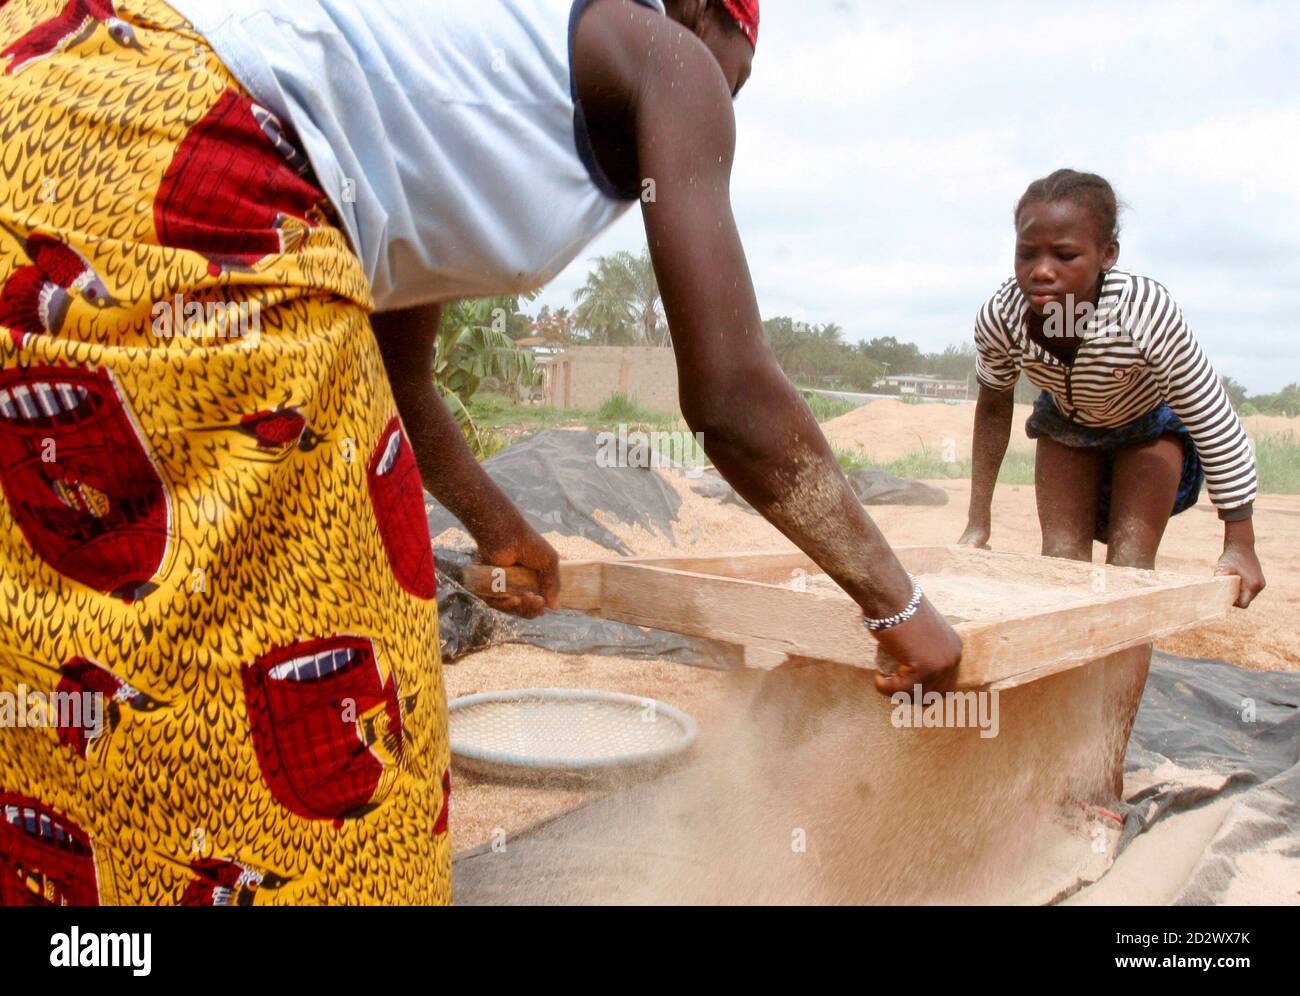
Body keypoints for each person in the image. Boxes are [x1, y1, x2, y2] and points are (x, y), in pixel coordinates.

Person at [0, 0, 959, 906]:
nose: (727, 104)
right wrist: (897, 604)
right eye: (737, 77)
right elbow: (732, 399)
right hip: (175, 168)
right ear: (708, 12)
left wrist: (501, 528)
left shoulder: (442, 62)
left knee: (82, 637)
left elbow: (402, 373)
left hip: (43, 86)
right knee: (342, 728)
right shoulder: (672, 58)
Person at [959, 168, 1266, 796]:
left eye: (1065, 255)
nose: (1042, 270)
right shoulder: (1002, 317)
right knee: (1062, 576)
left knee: (1126, 579)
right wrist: (977, 519)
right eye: (1028, 253)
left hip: (1149, 431)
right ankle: (1053, 754)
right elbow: (993, 407)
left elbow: (1212, 414)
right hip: (1068, 428)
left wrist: (1240, 538)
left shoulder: (1145, 313)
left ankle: (1104, 772)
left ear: (1107, 256)